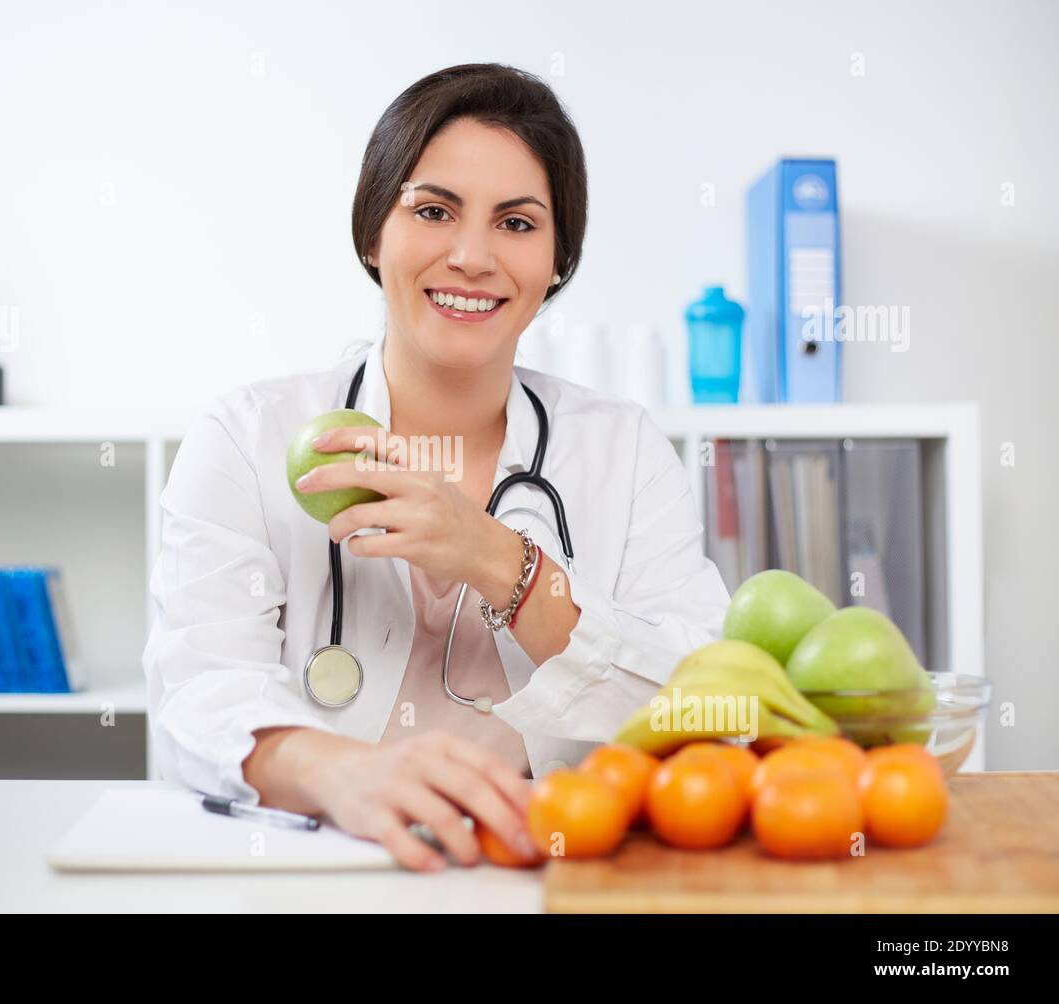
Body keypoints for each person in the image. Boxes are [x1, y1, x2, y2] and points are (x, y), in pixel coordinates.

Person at [143, 63, 729, 872]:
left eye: (518, 224)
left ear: (559, 260)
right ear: (370, 234)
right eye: (433, 210)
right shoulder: (246, 434)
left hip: (539, 875)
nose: (472, 255)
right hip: (316, 873)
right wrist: (344, 772)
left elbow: (704, 703)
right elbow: (196, 696)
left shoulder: (623, 452)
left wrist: (500, 561)